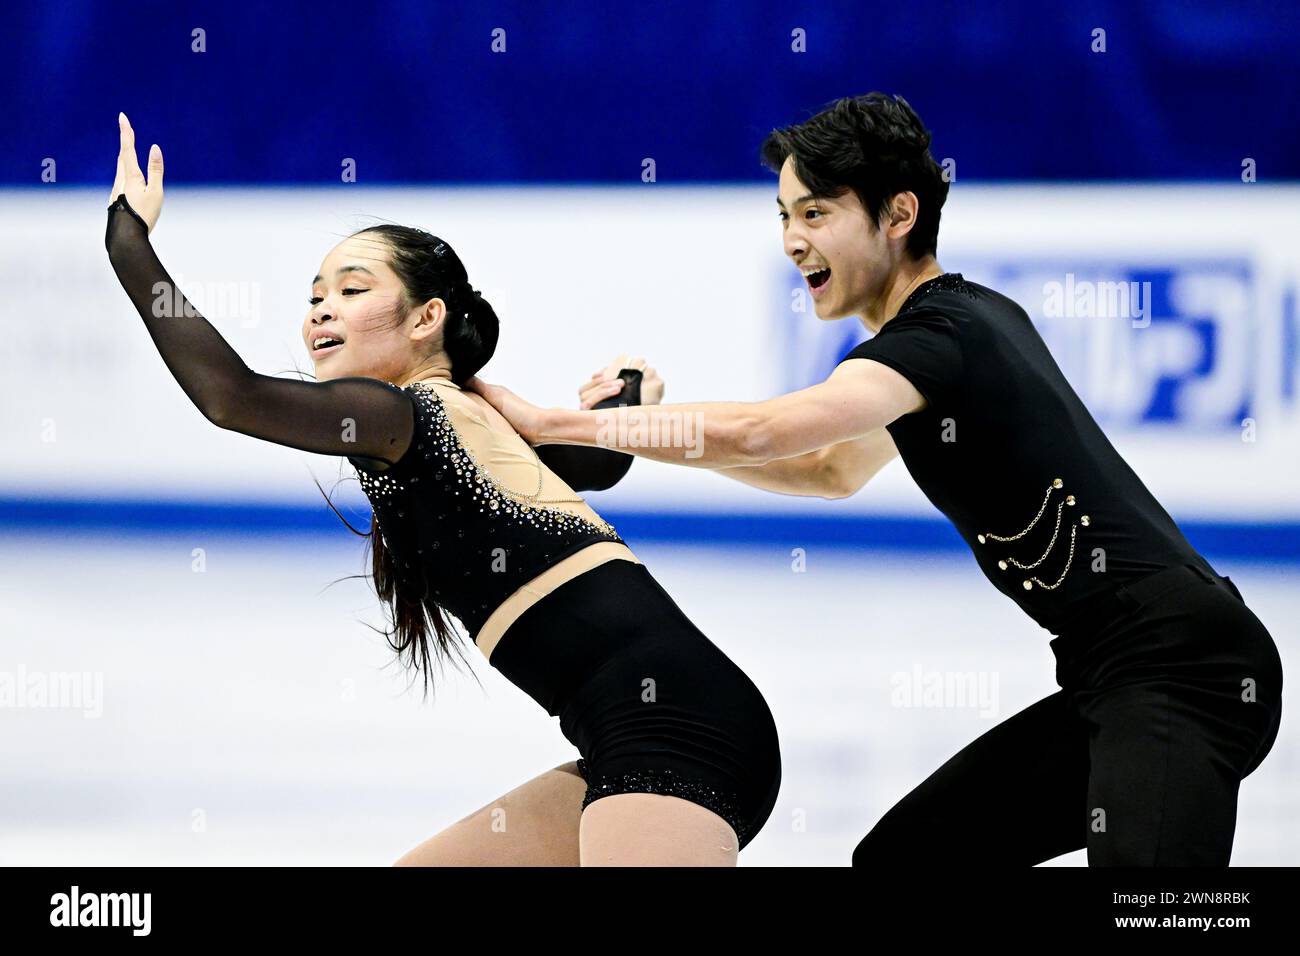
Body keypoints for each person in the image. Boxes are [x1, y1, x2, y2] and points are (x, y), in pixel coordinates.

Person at [469, 93, 1284, 866]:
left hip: (1184, 668)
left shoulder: (946, 332)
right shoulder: (944, 339)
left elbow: (768, 428)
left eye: (815, 212)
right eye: (784, 215)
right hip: (1110, 676)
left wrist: (554, 425)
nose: (791, 238)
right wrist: (648, 432)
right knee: (910, 858)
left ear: (898, 215)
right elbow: (824, 468)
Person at [104, 112, 780, 866]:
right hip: (629, 743)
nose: (321, 308)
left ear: (427, 318)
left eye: (351, 289)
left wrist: (127, 240)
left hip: (680, 734)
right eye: (314, 294)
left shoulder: (410, 414)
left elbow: (231, 397)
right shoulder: (471, 415)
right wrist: (627, 397)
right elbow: (597, 465)